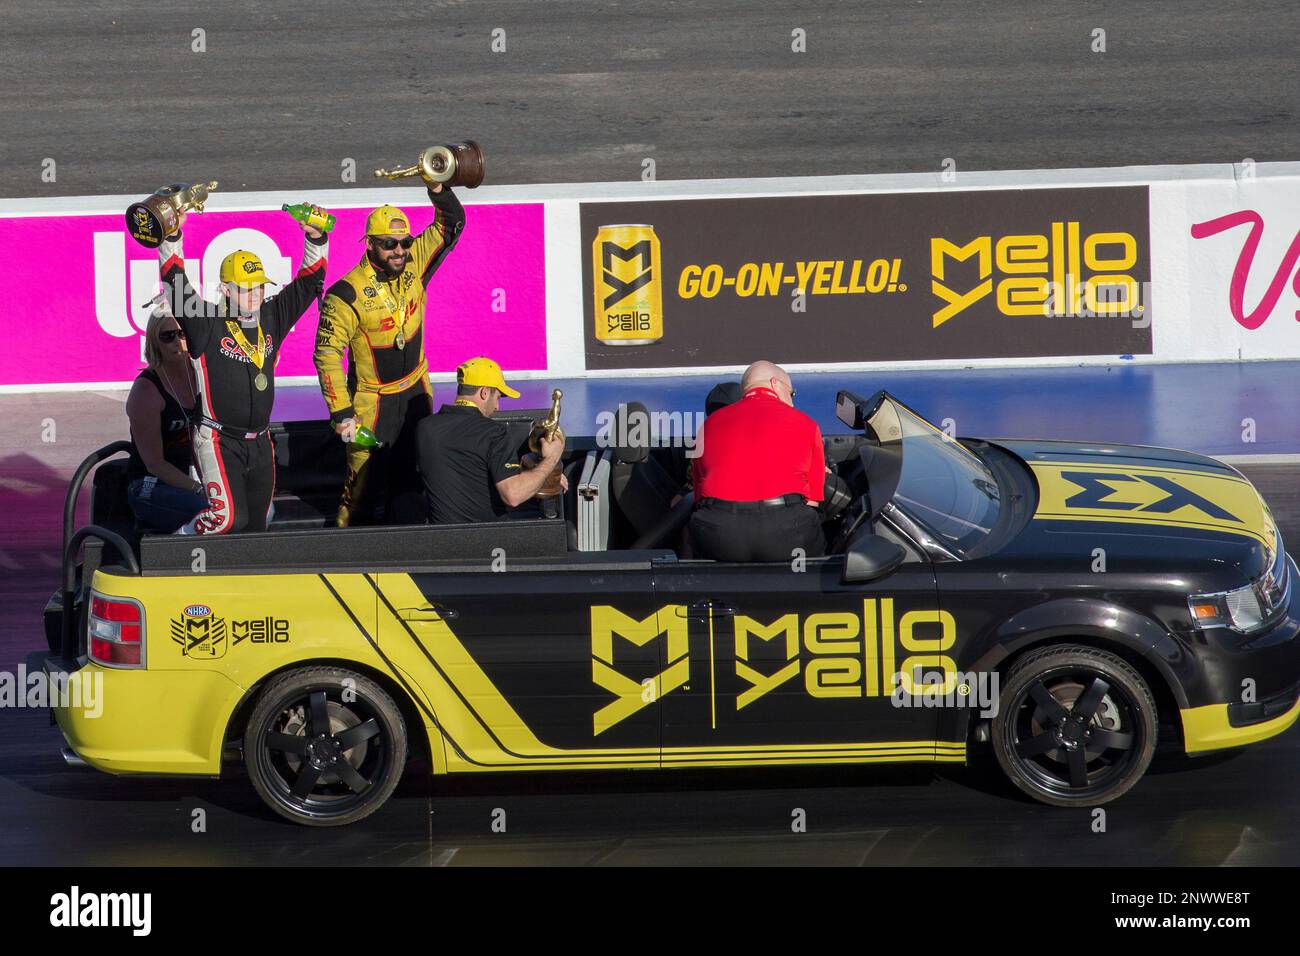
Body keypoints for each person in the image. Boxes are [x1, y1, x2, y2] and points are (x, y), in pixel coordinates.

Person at [159, 206, 329, 534]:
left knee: (257, 526)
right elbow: (175, 284)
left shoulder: (272, 316)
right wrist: (172, 235)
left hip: (262, 441)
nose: (254, 295)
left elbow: (310, 282)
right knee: (226, 521)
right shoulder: (205, 322)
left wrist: (316, 237)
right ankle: (175, 546)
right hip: (218, 439)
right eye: (245, 288)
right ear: (225, 289)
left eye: (259, 287)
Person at [314, 184, 466, 526]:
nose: (399, 250)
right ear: (369, 244)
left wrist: (438, 186)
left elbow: (451, 224)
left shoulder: (413, 263)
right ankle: (349, 559)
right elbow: (326, 356)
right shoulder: (345, 294)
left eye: (405, 242)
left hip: (415, 392)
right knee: (360, 492)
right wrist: (341, 413)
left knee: (412, 482)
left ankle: (409, 559)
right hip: (373, 404)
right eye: (389, 244)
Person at [688, 360, 826, 561]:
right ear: (775, 384)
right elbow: (813, 502)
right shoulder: (806, 423)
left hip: (720, 536)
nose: (793, 400)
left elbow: (699, 497)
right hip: (787, 533)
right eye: (792, 393)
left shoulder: (707, 426)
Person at [417, 357, 567, 525]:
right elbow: (513, 495)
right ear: (484, 392)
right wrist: (550, 461)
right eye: (498, 396)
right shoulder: (493, 432)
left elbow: (471, 470)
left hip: (440, 542)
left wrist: (539, 474)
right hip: (490, 541)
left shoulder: (425, 429)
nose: (497, 407)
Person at [124, 305, 206, 532]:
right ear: (155, 342)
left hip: (197, 476)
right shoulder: (146, 390)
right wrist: (199, 488)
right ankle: (179, 551)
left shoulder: (201, 374)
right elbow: (155, 464)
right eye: (168, 336)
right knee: (208, 508)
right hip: (151, 483)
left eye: (182, 334)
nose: (178, 342)